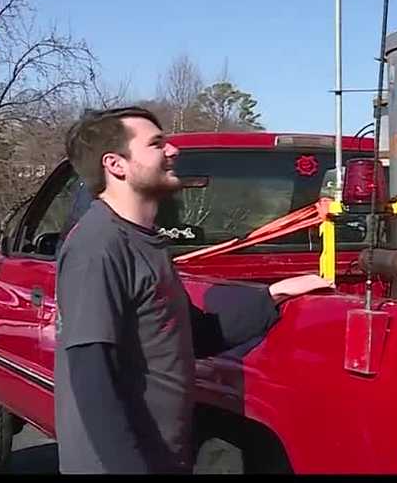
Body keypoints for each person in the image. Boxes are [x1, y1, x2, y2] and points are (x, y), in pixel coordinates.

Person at [54, 106, 331, 474]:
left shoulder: (144, 242)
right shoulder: (98, 246)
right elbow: (92, 376)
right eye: (156, 144)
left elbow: (192, 334)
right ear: (115, 165)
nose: (173, 151)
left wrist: (273, 295)